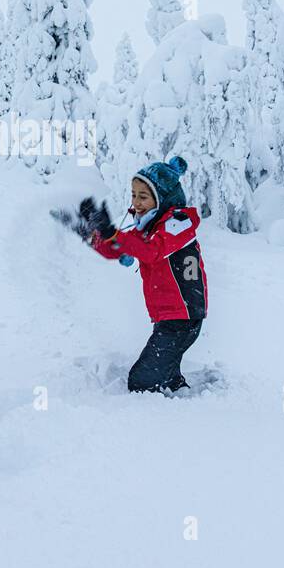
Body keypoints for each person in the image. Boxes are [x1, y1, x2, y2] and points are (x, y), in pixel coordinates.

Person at [83, 157, 208, 394]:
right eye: (133, 195)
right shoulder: (150, 227)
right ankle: (177, 392)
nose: (136, 202)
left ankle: (161, 420)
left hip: (183, 318)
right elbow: (120, 249)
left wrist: (115, 234)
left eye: (143, 196)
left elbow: (152, 251)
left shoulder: (179, 223)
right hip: (169, 318)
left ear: (161, 199)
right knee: (163, 371)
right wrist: (93, 235)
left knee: (142, 381)